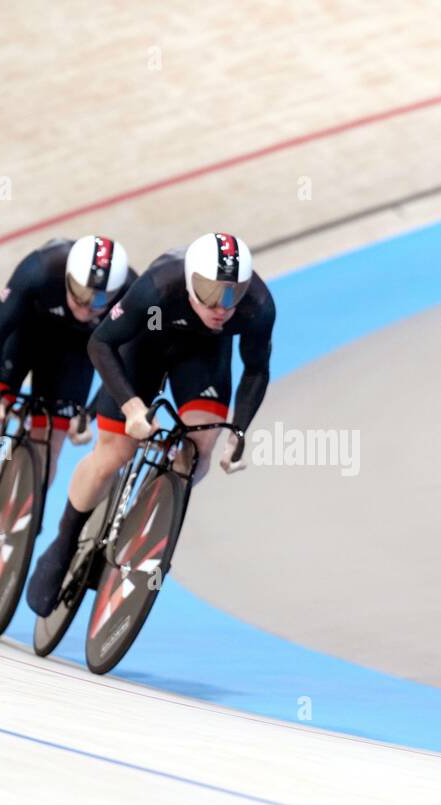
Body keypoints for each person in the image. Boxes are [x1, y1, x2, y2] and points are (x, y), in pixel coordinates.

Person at [25, 231, 275, 617]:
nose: (223, 307)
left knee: (196, 452)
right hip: (145, 344)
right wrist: (131, 406)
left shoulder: (258, 305)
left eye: (233, 294)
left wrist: (238, 431)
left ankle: (147, 523)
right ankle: (65, 541)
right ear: (191, 280)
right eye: (210, 292)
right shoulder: (159, 286)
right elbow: (100, 344)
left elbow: (256, 370)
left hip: (202, 355)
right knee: (114, 454)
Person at [0, 235, 135, 510]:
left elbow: (126, 363)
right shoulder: (40, 269)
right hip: (24, 334)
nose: (86, 306)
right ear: (68, 276)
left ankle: (16, 522)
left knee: (50, 445)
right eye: (81, 293)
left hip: (73, 352)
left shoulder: (132, 293)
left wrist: (89, 414)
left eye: (99, 301)